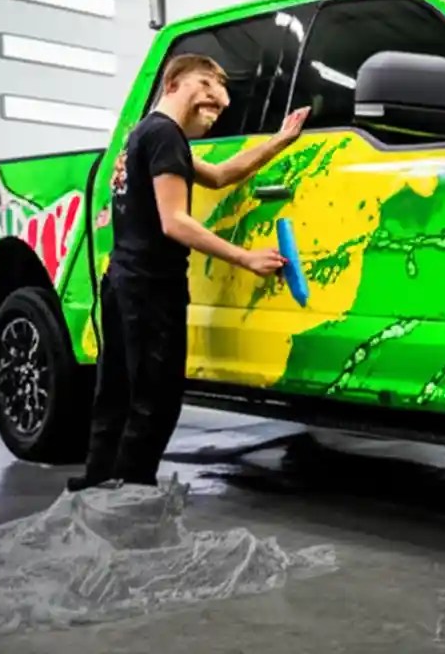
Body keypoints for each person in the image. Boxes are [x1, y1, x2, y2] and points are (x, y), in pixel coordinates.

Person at [67, 53, 310, 492]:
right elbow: (174, 221)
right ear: (173, 82)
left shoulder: (144, 134)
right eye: (206, 88)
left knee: (117, 390)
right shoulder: (165, 136)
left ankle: (98, 482)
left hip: (122, 282)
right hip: (150, 289)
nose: (214, 104)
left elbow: (218, 175)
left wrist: (280, 140)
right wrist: (246, 257)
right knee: (155, 400)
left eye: (219, 102)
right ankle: (133, 493)